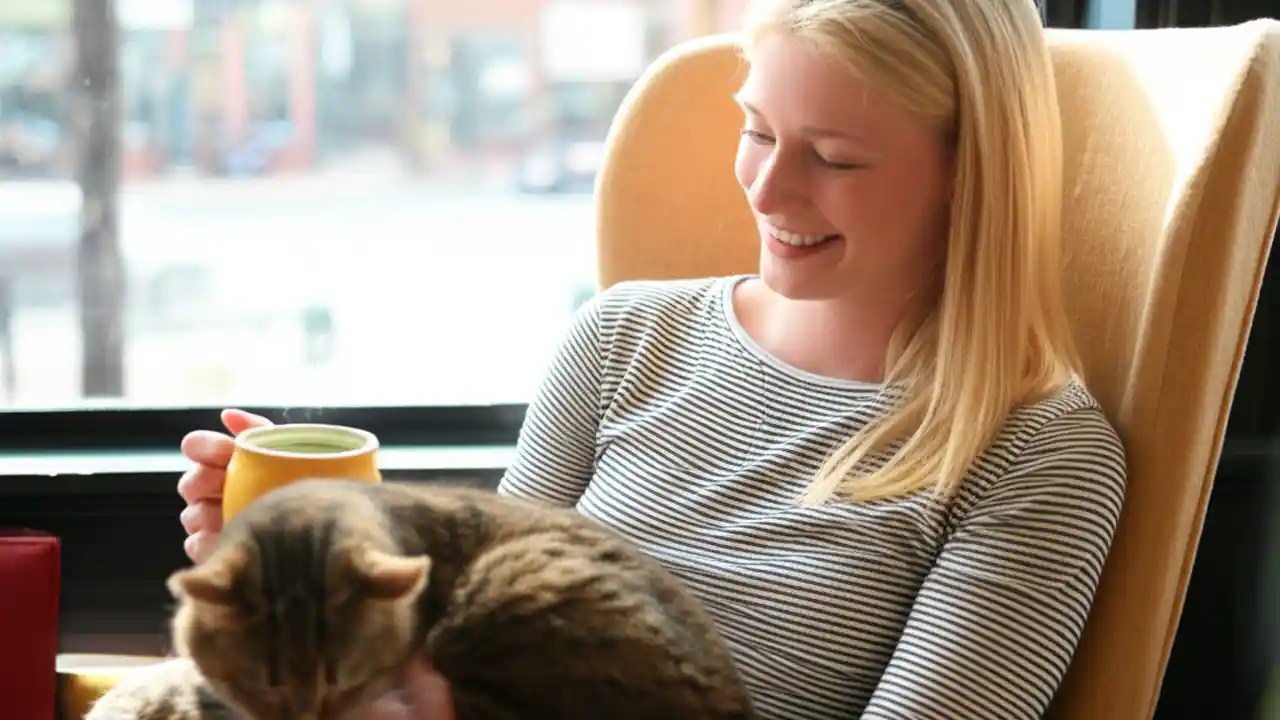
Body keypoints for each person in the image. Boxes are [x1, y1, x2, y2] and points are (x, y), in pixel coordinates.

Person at [177, 1, 1128, 718]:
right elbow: (463, 642)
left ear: (971, 171)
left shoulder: (1037, 457)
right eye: (755, 129)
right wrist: (307, 576)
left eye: (834, 159)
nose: (766, 186)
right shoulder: (621, 340)